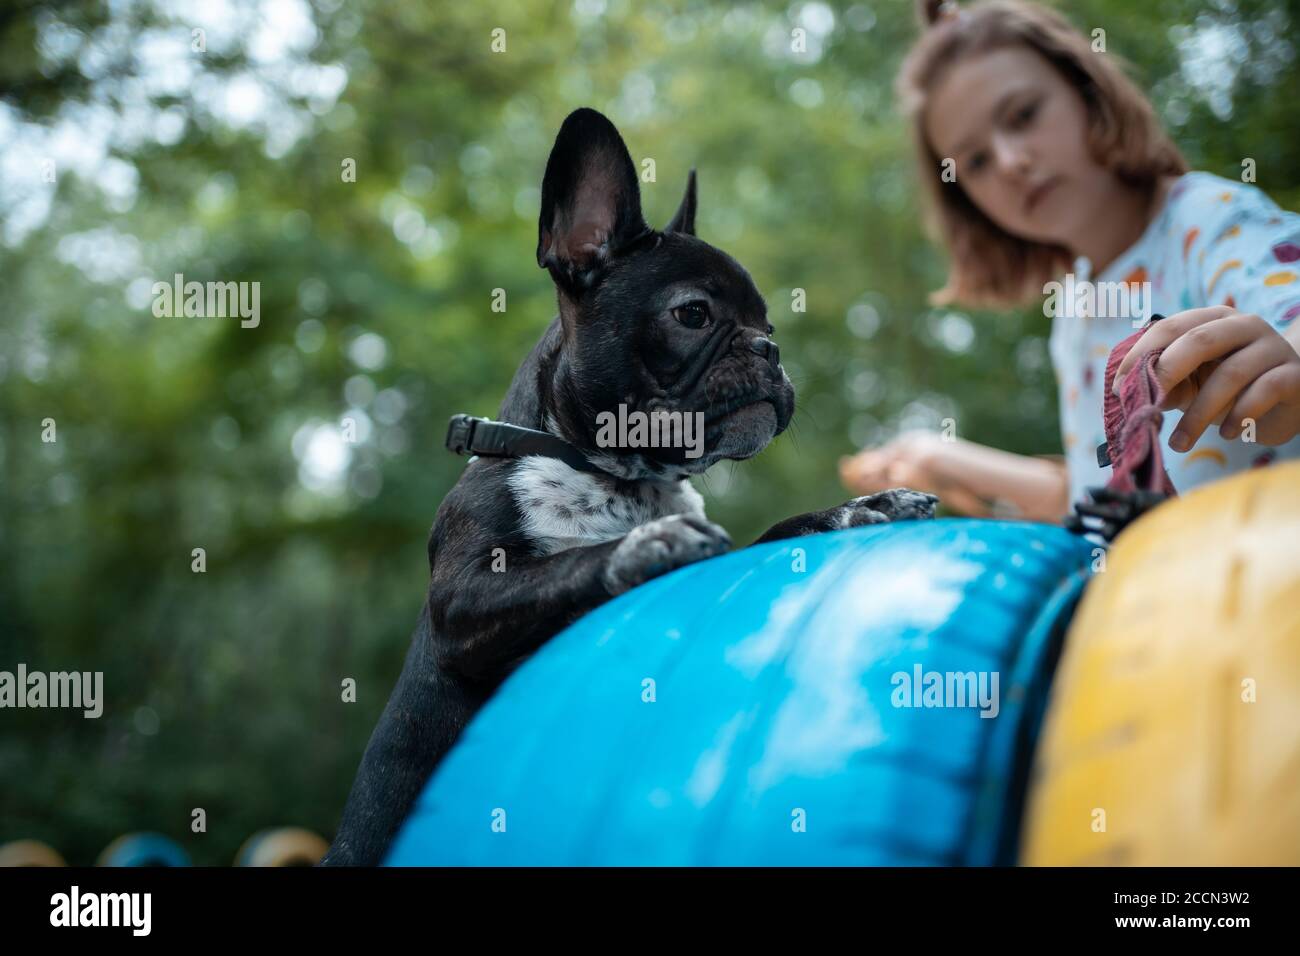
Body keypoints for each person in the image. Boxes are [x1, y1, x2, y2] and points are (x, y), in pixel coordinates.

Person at [841, 0, 1300, 522]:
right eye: (975, 161)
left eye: (1023, 115)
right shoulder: (1073, 312)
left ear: (1087, 92)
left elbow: (1292, 320)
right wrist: (943, 459)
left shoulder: (1209, 220)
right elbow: (1097, 495)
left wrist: (1288, 359)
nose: (1012, 163)